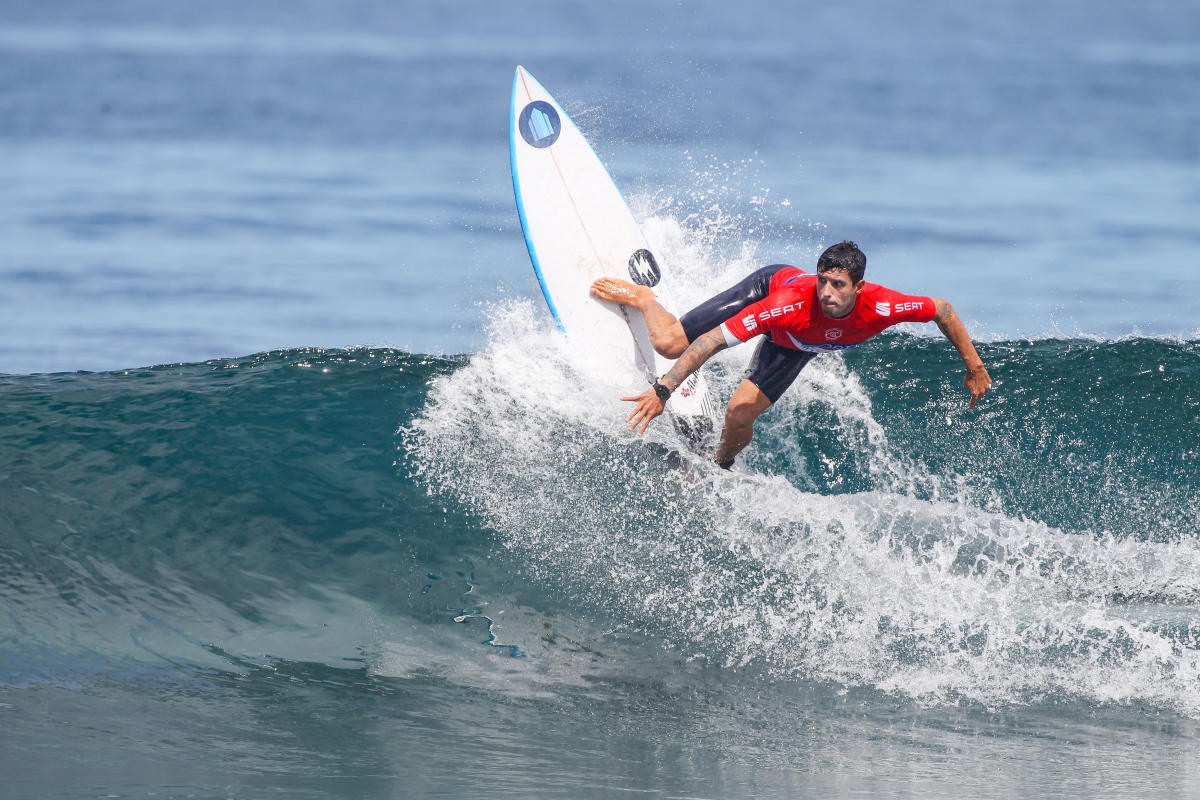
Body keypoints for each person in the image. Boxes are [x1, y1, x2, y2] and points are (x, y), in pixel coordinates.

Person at [589, 240, 992, 468]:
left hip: (800, 345)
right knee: (671, 343)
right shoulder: (787, 304)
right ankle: (645, 298)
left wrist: (974, 366)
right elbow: (711, 341)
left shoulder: (884, 306)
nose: (827, 293)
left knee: (740, 412)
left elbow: (942, 310)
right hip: (770, 295)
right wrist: (663, 391)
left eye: (837, 285)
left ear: (860, 287)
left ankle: (719, 466)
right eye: (822, 282)